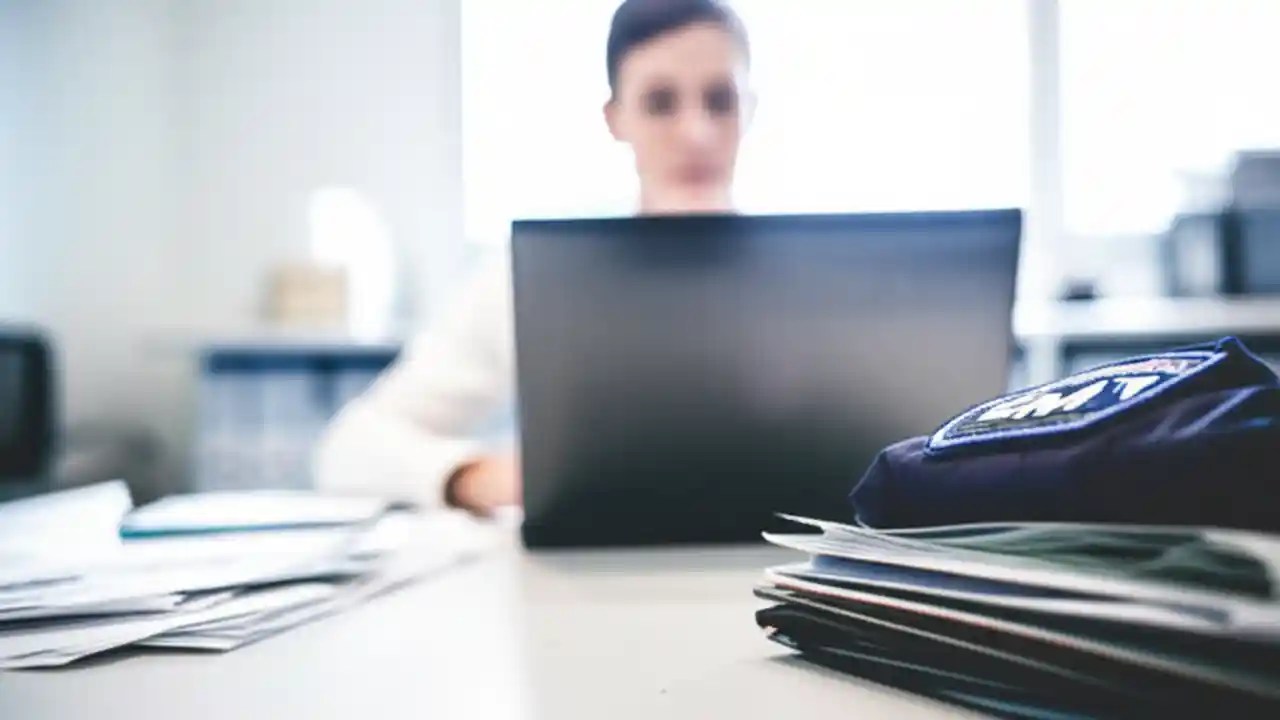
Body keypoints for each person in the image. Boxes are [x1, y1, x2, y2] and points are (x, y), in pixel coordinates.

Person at [314, 0, 754, 515]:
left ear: (751, 108)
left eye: (720, 100)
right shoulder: (525, 280)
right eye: (660, 102)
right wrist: (479, 477)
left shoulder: (817, 285)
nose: (695, 133)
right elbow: (348, 450)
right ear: (615, 118)